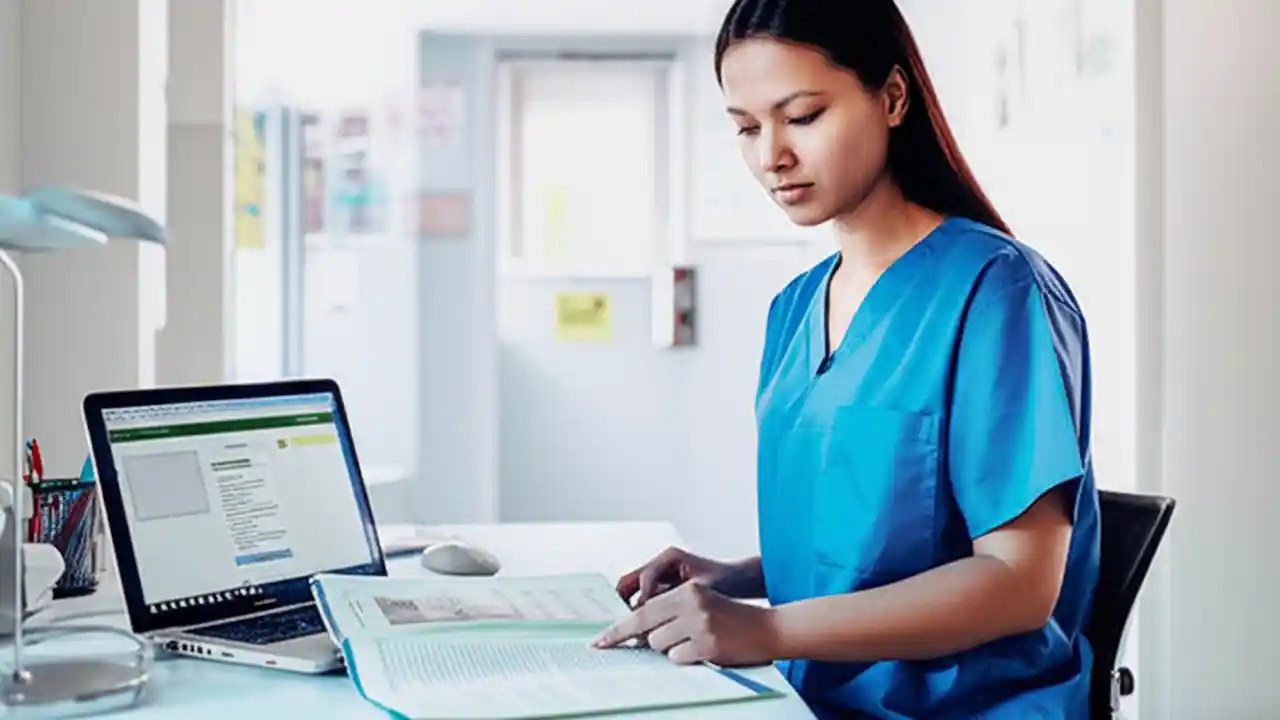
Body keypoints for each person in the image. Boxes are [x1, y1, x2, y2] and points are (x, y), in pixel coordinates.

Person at [590, 0, 1100, 717]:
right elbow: (892, 541)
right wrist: (739, 580)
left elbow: (1018, 580)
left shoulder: (996, 291)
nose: (771, 156)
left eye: (802, 116)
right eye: (745, 127)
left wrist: (766, 627)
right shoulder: (794, 310)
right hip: (808, 698)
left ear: (892, 98)